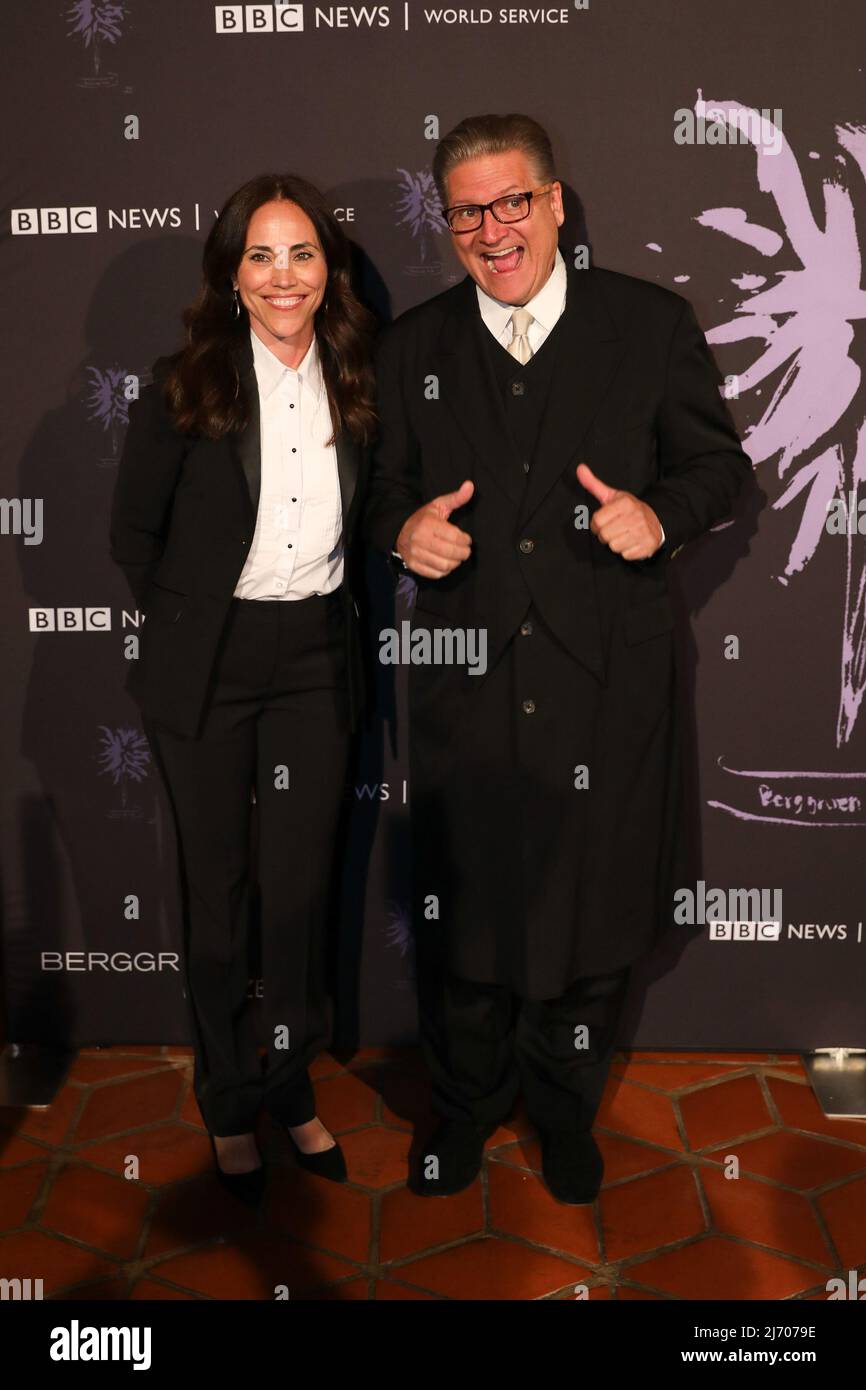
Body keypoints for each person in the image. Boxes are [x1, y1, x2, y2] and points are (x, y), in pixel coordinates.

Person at [365, 113, 752, 1205]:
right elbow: (382, 487)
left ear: (555, 202)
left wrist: (659, 515)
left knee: (590, 921)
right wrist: (403, 530)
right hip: (465, 682)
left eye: (512, 202)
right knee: (468, 915)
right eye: (468, 212)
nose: (494, 231)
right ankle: (461, 1108)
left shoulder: (647, 323)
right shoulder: (413, 349)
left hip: (605, 681)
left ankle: (561, 1111)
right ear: (448, 225)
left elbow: (716, 468)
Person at [110, 174, 376, 1204]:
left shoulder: (358, 373)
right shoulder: (185, 383)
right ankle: (227, 1098)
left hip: (317, 655)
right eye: (259, 255)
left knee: (298, 891)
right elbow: (132, 537)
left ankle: (286, 1078)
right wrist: (197, 624)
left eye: (301, 253)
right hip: (210, 666)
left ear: (327, 269)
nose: (282, 276)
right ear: (229, 273)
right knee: (217, 903)